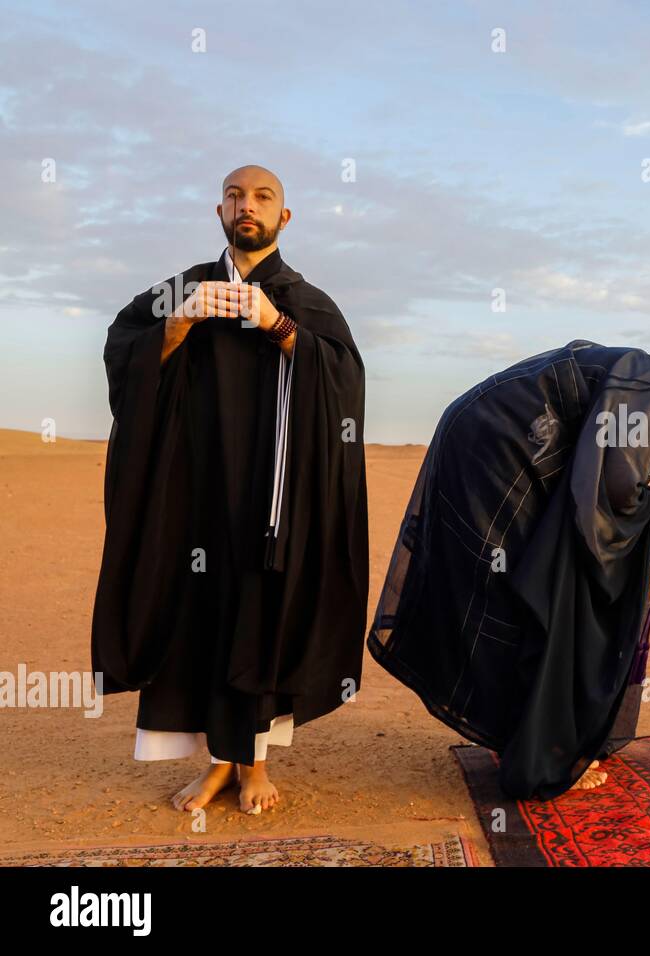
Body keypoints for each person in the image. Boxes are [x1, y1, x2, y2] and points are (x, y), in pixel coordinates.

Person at [92, 165, 369, 814]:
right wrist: (179, 325)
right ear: (219, 210)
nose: (248, 206)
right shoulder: (185, 289)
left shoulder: (305, 300)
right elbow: (121, 348)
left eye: (263, 197)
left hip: (271, 501)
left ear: (284, 217)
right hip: (191, 497)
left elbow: (344, 385)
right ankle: (218, 764)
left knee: (259, 619)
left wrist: (278, 325)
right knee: (199, 620)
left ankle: (255, 765)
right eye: (236, 196)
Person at [368, 342, 650, 798]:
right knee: (523, 589)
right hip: (494, 450)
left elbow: (602, 471)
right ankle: (535, 752)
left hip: (487, 439)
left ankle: (527, 740)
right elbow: (611, 492)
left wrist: (645, 496)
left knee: (529, 582)